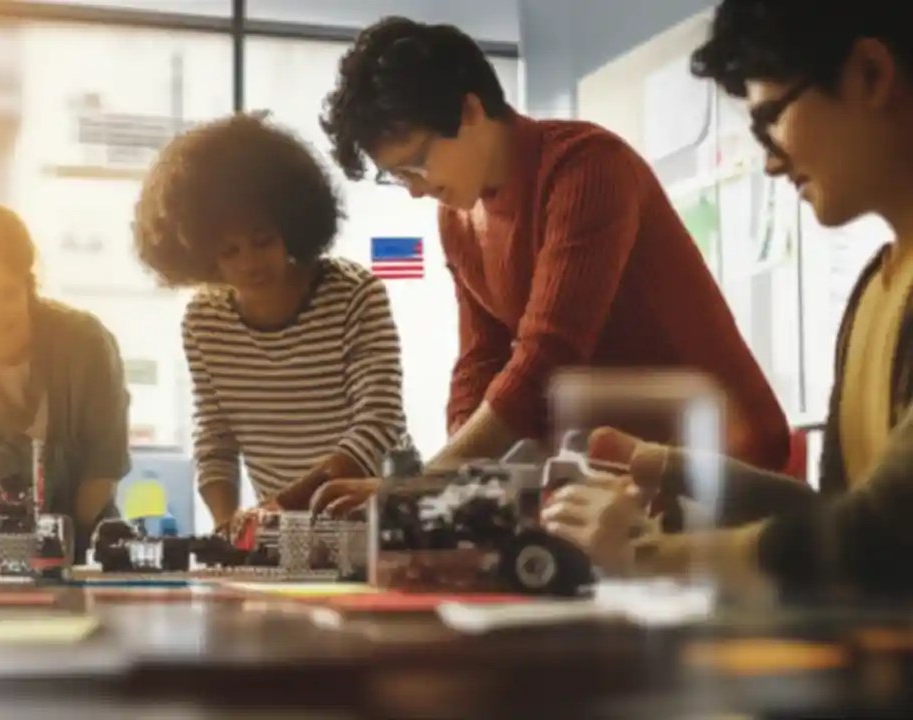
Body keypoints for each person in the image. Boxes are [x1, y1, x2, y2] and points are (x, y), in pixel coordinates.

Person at [308, 16, 791, 516]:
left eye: (416, 165)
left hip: (726, 467)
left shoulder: (586, 167)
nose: (412, 188)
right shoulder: (457, 218)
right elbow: (479, 365)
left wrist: (424, 486)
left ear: (469, 110)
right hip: (624, 480)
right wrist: (457, 495)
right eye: (395, 177)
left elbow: (548, 358)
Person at [542, 0, 913, 598]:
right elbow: (832, 515)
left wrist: (647, 553)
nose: (768, 160)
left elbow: (880, 537)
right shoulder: (878, 287)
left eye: (771, 120)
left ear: (870, 75)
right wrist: (668, 465)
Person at [132, 114, 408, 529]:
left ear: (291, 225)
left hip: (377, 527)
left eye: (262, 241)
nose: (249, 263)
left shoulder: (354, 294)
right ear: (202, 253)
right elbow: (215, 441)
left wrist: (281, 506)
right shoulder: (204, 321)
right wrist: (228, 528)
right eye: (229, 251)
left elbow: (379, 421)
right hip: (286, 538)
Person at [0, 202, 130, 552]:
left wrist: (68, 547)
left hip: (93, 544)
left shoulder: (86, 343)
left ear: (27, 283)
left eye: (7, 294)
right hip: (7, 546)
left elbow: (103, 463)